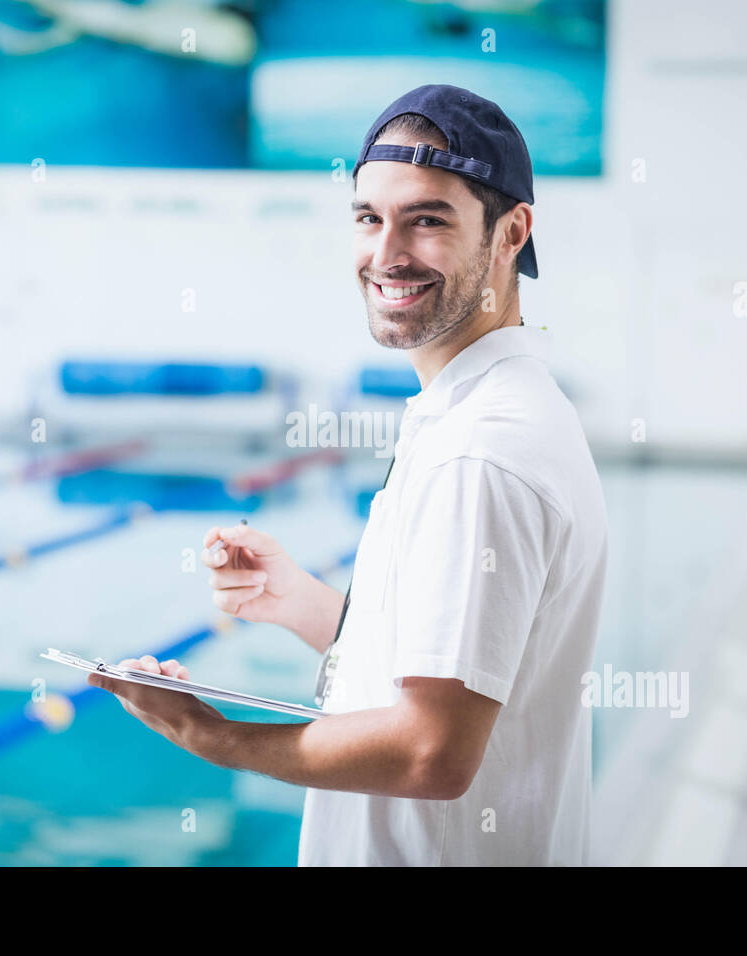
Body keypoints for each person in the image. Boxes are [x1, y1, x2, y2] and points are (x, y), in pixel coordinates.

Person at [88, 84, 609, 865]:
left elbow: (431, 751)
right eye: (369, 217)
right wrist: (307, 608)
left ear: (511, 233)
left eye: (427, 219)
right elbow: (462, 665)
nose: (387, 253)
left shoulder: (481, 452)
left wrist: (212, 734)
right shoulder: (479, 412)